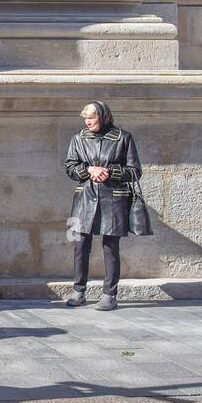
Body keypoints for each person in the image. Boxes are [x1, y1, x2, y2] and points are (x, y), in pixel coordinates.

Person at [64, 101, 143, 312]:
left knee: (110, 247)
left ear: (104, 117)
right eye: (85, 118)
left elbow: (135, 171)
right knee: (80, 245)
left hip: (113, 199)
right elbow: (70, 167)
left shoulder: (123, 138)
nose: (88, 122)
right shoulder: (78, 138)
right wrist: (89, 169)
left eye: (92, 118)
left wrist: (110, 172)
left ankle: (110, 294)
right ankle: (79, 290)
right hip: (85, 199)